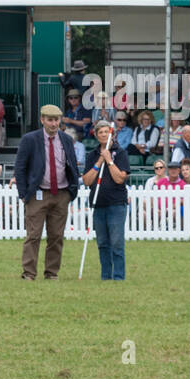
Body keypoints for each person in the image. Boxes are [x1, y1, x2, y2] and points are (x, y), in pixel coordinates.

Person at [15, 104, 82, 280]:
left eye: (57, 120)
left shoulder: (66, 139)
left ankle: (52, 273)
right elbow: (20, 167)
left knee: (56, 237)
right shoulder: (30, 139)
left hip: (61, 194)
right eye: (50, 120)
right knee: (33, 235)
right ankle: (29, 273)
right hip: (37, 193)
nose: (54, 124)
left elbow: (73, 165)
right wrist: (23, 193)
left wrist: (71, 192)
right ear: (42, 120)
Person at [82, 120, 130, 280]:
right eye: (100, 132)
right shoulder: (92, 155)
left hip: (116, 204)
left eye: (106, 132)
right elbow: (87, 181)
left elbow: (119, 179)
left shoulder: (120, 153)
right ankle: (106, 276)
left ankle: (118, 276)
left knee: (116, 243)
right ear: (96, 135)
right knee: (102, 243)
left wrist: (109, 160)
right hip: (98, 204)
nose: (103, 135)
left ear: (112, 135)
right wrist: (99, 162)